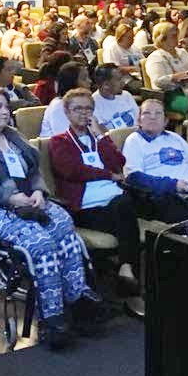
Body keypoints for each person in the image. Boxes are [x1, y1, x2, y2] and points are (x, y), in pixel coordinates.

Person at [0, 85, 104, 350]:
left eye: (6, 106)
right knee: (41, 243)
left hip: (29, 200)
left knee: (65, 228)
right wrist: (9, 197)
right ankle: (52, 317)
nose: (5, 112)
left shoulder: (12, 135)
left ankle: (76, 299)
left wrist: (38, 190)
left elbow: (34, 169)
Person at [46, 88, 140, 291]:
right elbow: (72, 170)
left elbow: (118, 162)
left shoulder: (98, 139)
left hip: (115, 202)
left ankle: (125, 268)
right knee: (125, 208)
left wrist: (100, 135)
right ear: (67, 112)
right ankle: (129, 271)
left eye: (88, 109)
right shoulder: (59, 142)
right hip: (85, 208)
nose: (83, 113)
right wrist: (108, 175)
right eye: (77, 109)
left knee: (125, 205)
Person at [122, 96, 188, 222]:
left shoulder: (174, 137)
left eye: (158, 113)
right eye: (146, 113)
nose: (152, 117)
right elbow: (133, 177)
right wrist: (173, 185)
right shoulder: (134, 140)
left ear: (165, 121)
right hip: (166, 195)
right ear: (139, 120)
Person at [40, 61, 91, 138]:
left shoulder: (86, 102)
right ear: (72, 82)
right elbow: (67, 138)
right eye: (84, 79)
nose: (90, 81)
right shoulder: (58, 106)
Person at [91, 64, 139, 132]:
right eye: (119, 80)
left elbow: (140, 121)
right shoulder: (93, 104)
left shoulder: (126, 96)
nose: (123, 83)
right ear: (106, 85)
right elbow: (103, 134)